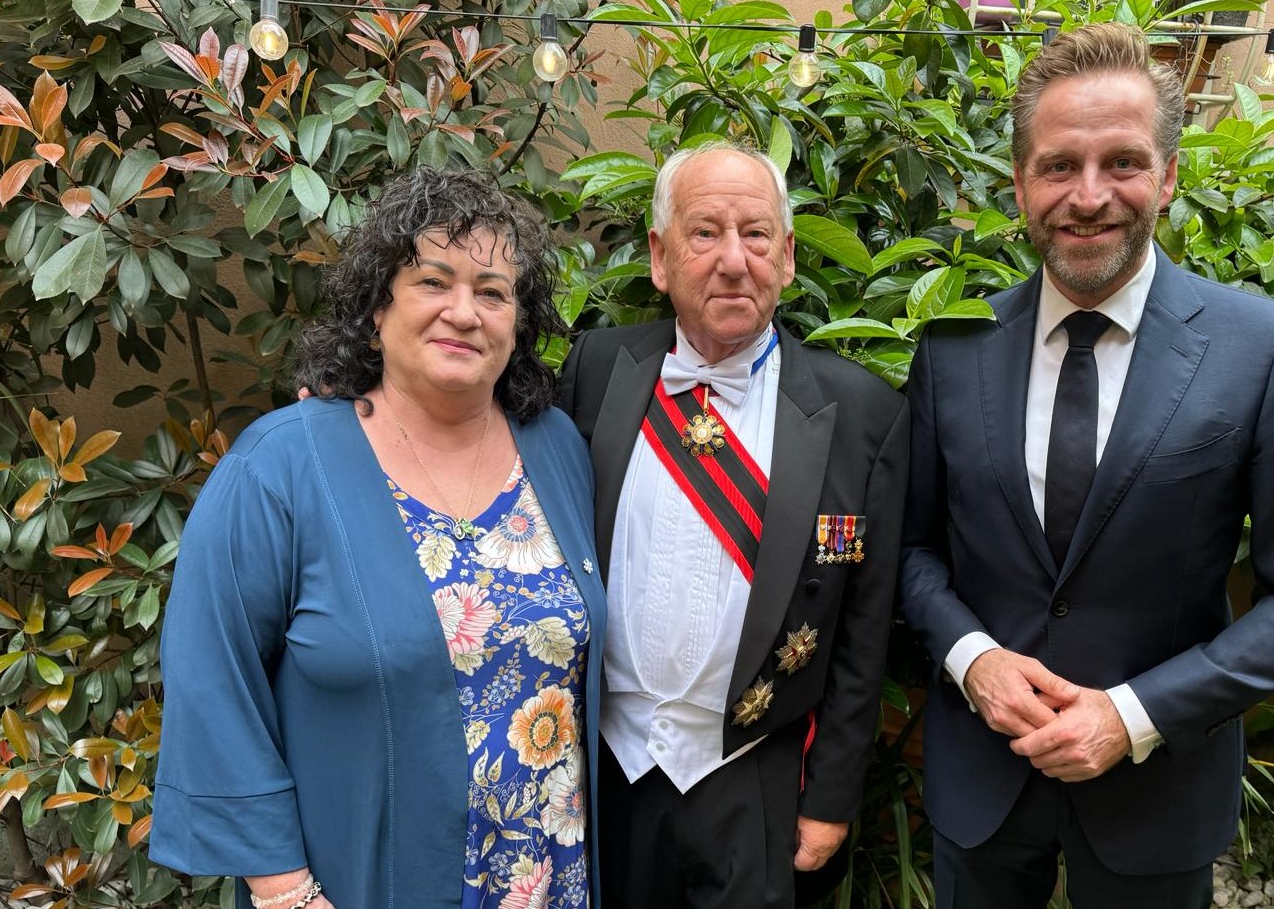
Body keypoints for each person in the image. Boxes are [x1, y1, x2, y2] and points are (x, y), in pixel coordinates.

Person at [898, 23, 1274, 909]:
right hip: (982, 781)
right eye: (1057, 166)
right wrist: (973, 659)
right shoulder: (953, 347)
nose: (1088, 196)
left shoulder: (1261, 349)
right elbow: (911, 549)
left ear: (1167, 177)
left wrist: (1134, 714)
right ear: (1019, 185)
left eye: (1121, 162)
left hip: (1161, 787)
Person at [151, 168, 607, 909]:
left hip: (548, 881)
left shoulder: (555, 448)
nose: (465, 311)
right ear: (376, 309)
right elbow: (211, 679)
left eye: (493, 291)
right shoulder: (281, 467)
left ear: (518, 322)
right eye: (434, 281)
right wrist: (286, 893)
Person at [558, 141, 909, 909]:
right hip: (609, 770)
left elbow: (862, 632)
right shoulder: (595, 370)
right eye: (704, 232)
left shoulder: (864, 416)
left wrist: (831, 797)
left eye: (755, 235)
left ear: (787, 258)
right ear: (659, 255)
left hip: (754, 772)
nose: (732, 260)